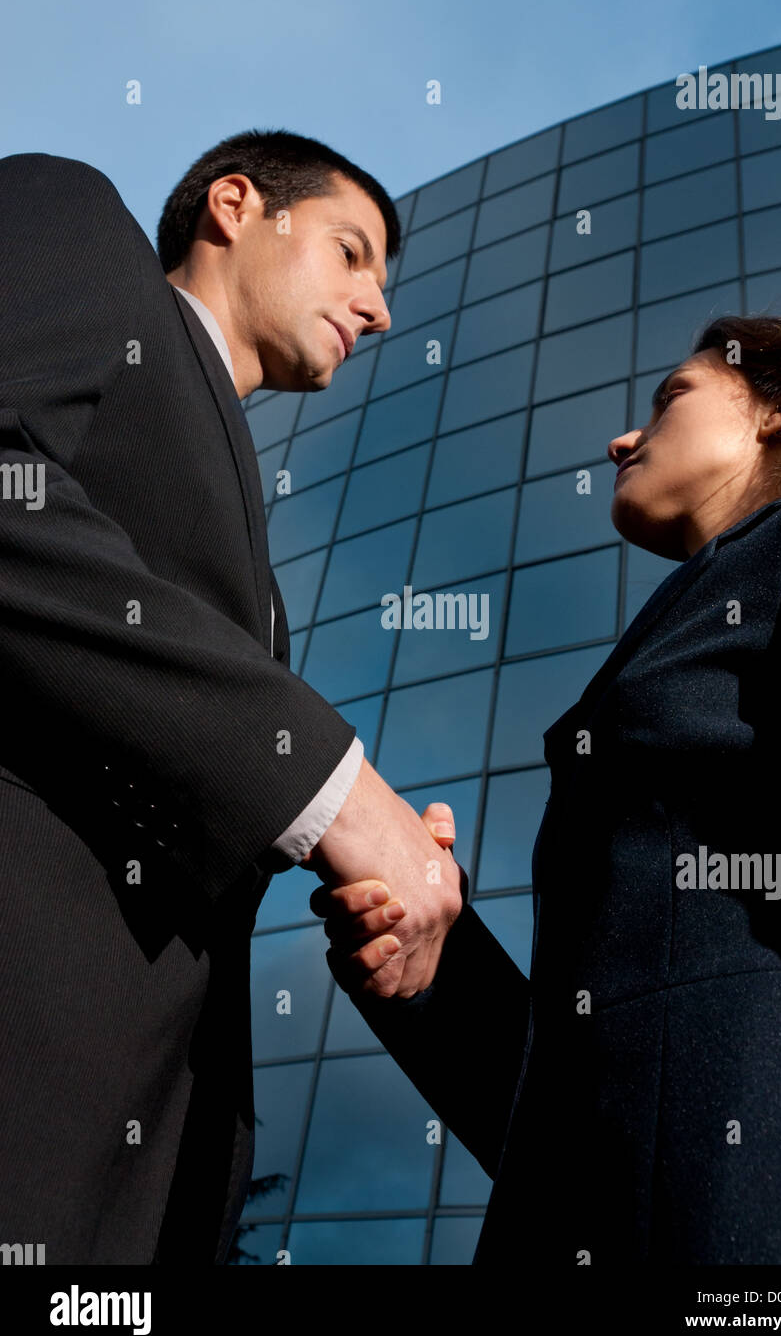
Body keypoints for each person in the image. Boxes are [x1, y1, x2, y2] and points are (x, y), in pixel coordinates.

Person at [316, 313, 781, 1265]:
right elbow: (587, 1080)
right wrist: (436, 968)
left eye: (670, 399)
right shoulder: (692, 613)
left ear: (777, 406)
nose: (621, 439)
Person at [0, 130, 463, 1265]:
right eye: (353, 255)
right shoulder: (77, 218)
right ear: (237, 204)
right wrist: (339, 796)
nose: (379, 311)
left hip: (145, 1162)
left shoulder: (258, 574)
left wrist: (373, 888)